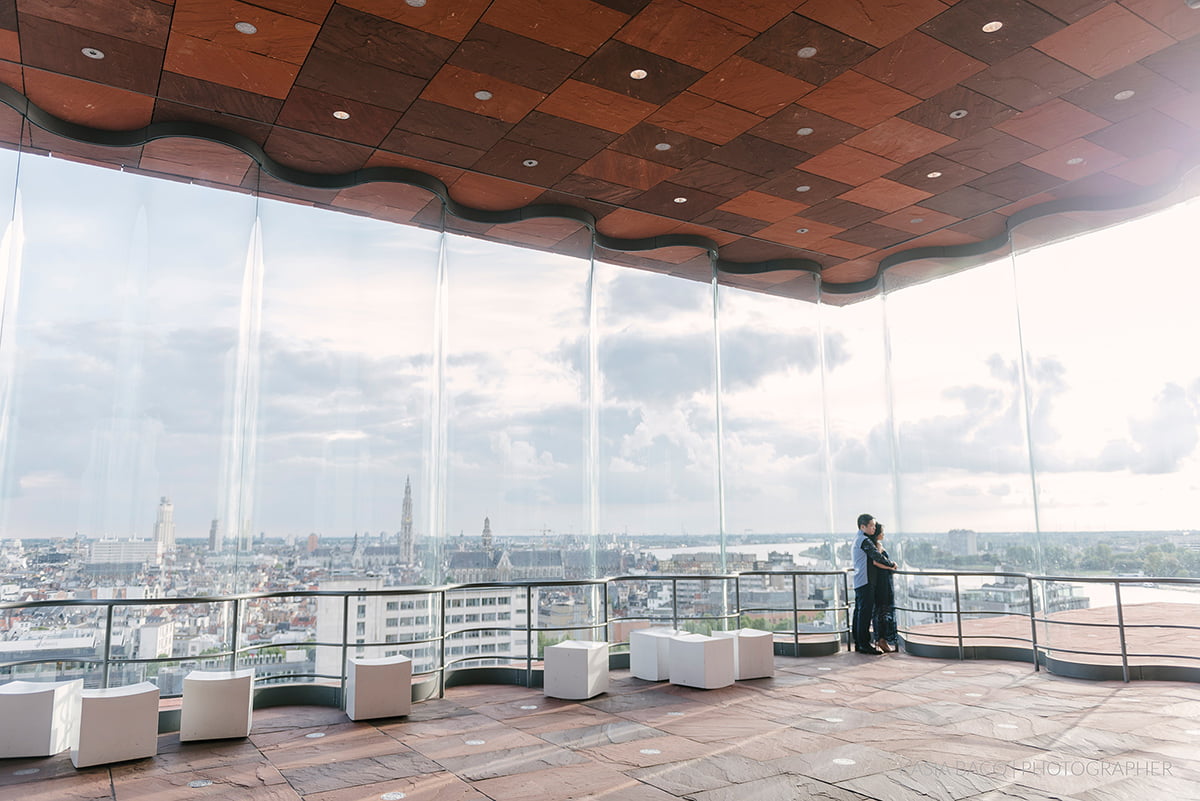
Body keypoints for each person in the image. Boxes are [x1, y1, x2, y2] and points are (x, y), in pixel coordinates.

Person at [851, 513, 882, 654]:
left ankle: (859, 643)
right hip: (865, 580)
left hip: (859, 580)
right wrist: (892, 564)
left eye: (875, 526)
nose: (874, 528)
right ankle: (864, 644)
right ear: (863, 526)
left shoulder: (857, 539)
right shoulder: (864, 540)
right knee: (864, 613)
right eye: (872, 526)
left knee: (859, 612)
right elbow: (876, 556)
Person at [867, 523, 899, 653]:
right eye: (882, 532)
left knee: (881, 610)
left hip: (882, 580)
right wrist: (891, 566)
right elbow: (876, 562)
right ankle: (882, 640)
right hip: (882, 582)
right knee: (883, 610)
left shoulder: (876, 545)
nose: (883, 534)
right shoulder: (878, 545)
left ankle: (881, 639)